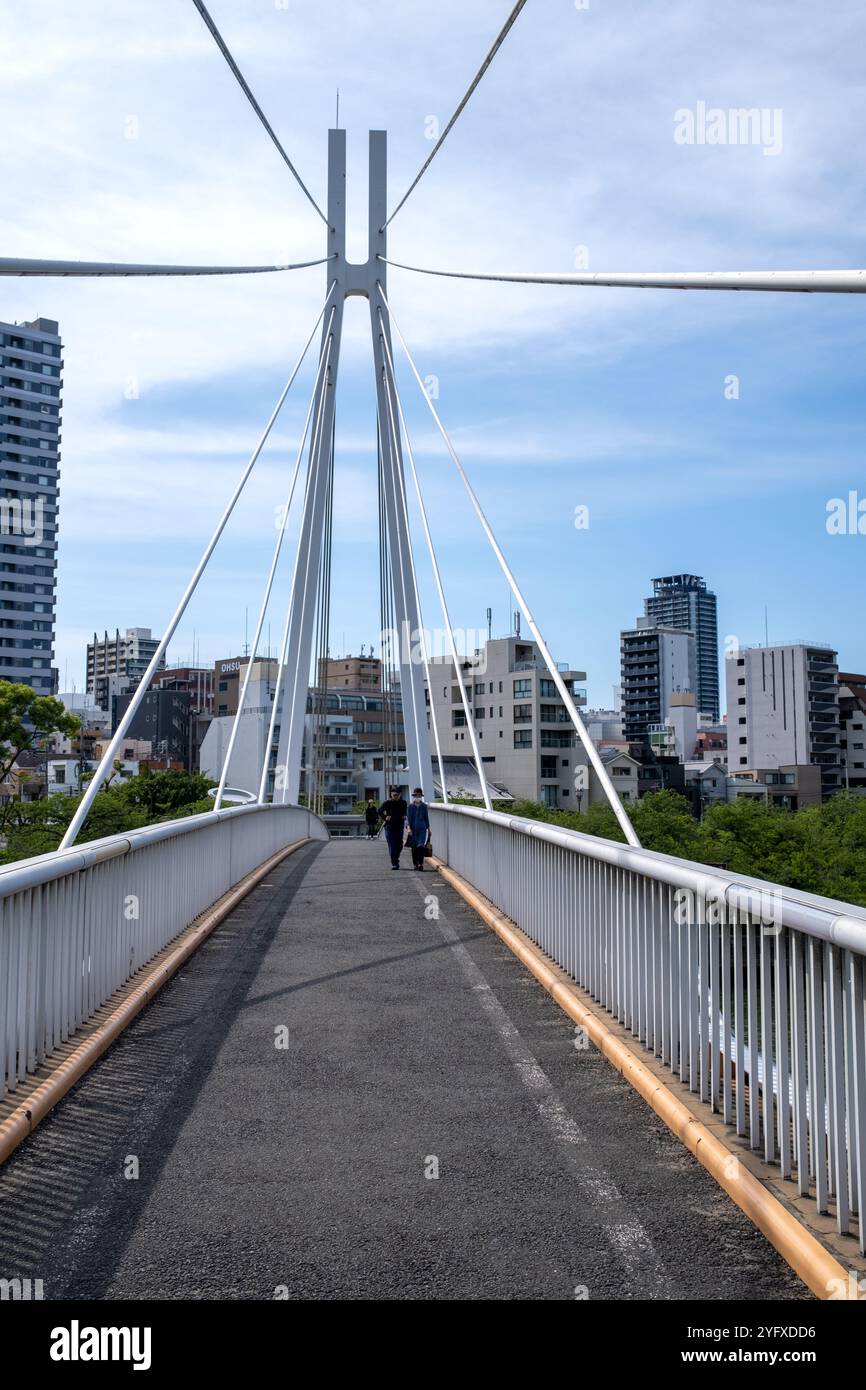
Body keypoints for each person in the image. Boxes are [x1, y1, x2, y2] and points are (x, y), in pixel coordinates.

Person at [378, 787, 408, 869]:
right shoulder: (387, 803)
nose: (395, 796)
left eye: (397, 795)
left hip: (399, 826)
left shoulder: (403, 803)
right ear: (391, 794)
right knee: (392, 845)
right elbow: (379, 811)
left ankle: (396, 857)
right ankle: (394, 863)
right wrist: (385, 817)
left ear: (400, 795)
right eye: (394, 795)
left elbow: (405, 812)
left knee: (399, 845)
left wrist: (405, 816)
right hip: (389, 827)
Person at [405, 787, 431, 871]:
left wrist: (429, 829)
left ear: (421, 796)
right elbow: (408, 818)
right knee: (414, 847)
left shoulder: (424, 806)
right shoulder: (410, 806)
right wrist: (409, 828)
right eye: (416, 795)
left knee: (421, 846)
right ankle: (415, 864)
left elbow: (426, 818)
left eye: (419, 795)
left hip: (422, 829)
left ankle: (420, 863)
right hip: (413, 829)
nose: (417, 797)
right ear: (414, 796)